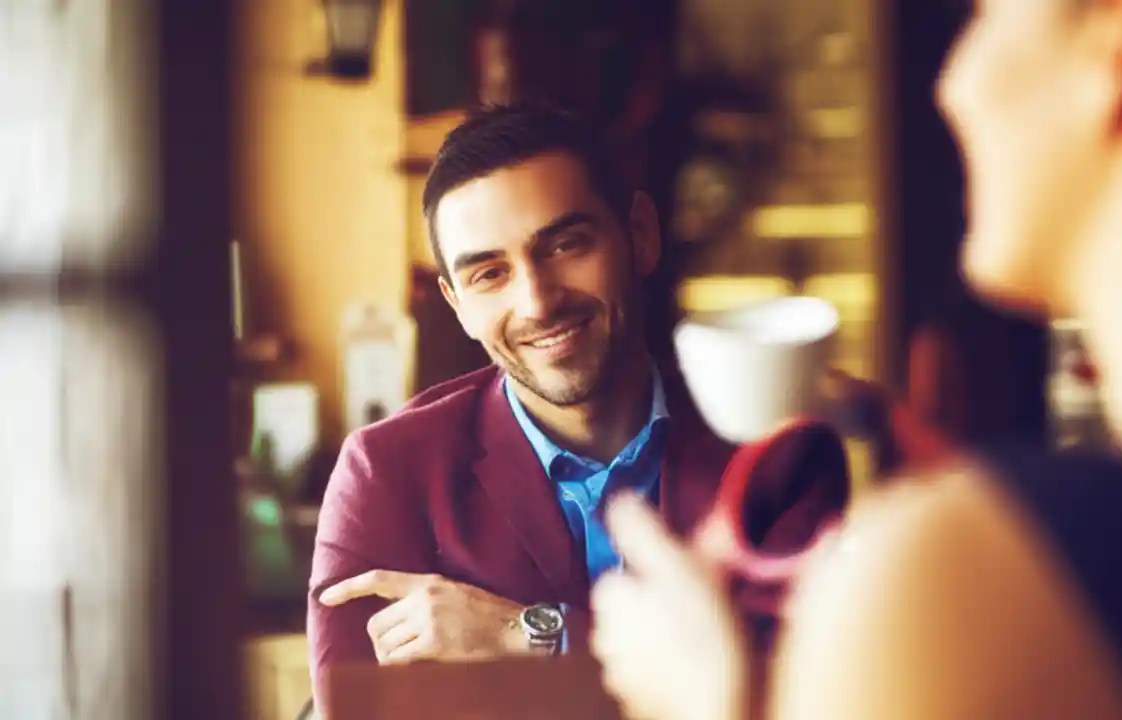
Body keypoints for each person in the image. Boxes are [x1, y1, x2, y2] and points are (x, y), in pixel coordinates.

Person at [589, 1, 1122, 718]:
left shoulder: (959, 587)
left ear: (1118, 28)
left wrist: (713, 702)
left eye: (985, 13)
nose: (953, 84)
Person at [306, 105, 848, 714]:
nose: (537, 301)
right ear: (456, 303)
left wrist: (534, 635)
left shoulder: (777, 453)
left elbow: (809, 693)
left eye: (565, 245)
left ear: (640, 234)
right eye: (490, 274)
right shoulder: (387, 472)